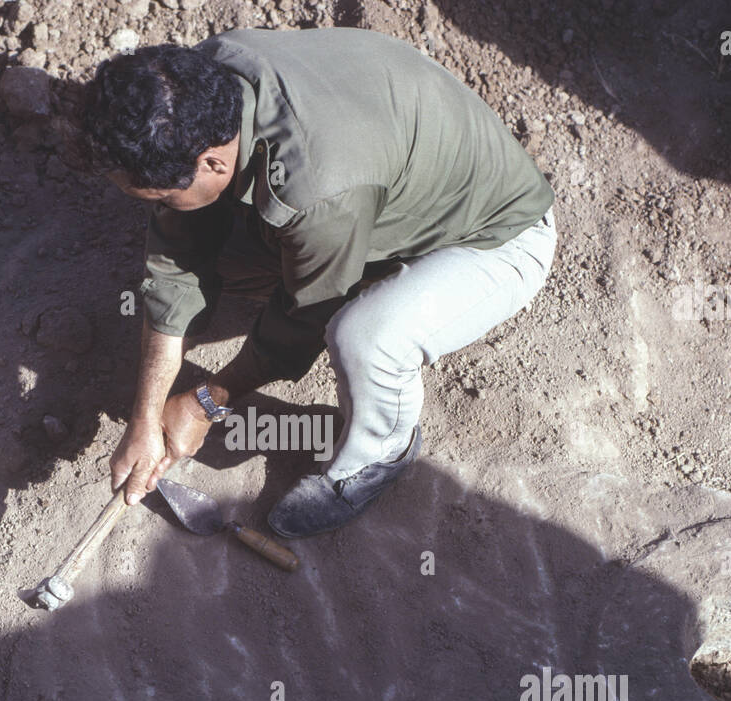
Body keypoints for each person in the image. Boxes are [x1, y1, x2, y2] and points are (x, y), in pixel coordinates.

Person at [80, 27, 556, 537]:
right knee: (220, 257)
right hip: (383, 182)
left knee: (363, 337)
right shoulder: (199, 84)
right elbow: (175, 260)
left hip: (495, 237)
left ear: (213, 162)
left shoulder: (317, 190)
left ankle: (378, 455)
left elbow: (305, 315)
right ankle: (354, 260)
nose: (155, 208)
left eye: (157, 198)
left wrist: (206, 402)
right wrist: (145, 417)